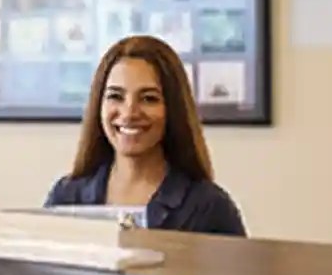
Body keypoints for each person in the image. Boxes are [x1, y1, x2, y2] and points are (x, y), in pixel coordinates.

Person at [44, 35, 247, 236]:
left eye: (148, 99)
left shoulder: (209, 208)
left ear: (172, 109)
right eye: (116, 96)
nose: (129, 113)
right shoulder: (66, 196)